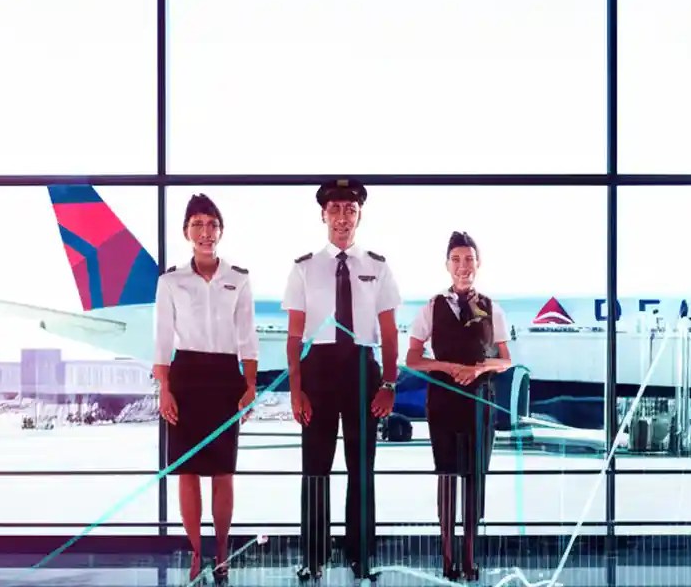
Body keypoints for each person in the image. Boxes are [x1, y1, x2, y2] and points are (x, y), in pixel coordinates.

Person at [283, 178, 401, 582]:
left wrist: (389, 384)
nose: (342, 217)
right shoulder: (304, 268)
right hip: (317, 372)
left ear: (359, 216)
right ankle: (314, 557)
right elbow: (294, 336)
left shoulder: (378, 267)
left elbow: (389, 333)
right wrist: (295, 391)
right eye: (335, 209)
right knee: (315, 467)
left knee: (361, 468)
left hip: (362, 373)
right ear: (323, 215)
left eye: (350, 210)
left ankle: (360, 555)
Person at [154, 194, 259, 584]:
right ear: (186, 232)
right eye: (197, 224)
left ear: (221, 231)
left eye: (211, 224)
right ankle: (196, 553)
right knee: (187, 471)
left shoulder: (239, 279)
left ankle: (222, 552)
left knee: (223, 471)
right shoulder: (170, 281)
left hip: (224, 378)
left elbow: (248, 339)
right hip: (186, 377)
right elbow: (162, 340)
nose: (205, 232)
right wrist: (164, 389)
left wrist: (250, 385)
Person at [405, 231, 513, 581]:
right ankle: (447, 559)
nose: (463, 266)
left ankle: (470, 559)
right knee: (447, 476)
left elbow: (504, 360)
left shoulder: (492, 308)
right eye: (457, 260)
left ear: (478, 264)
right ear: (447, 265)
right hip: (443, 403)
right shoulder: (431, 307)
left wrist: (477, 369)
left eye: (469, 259)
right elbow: (412, 358)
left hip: (480, 402)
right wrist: (449, 367)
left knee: (474, 478)